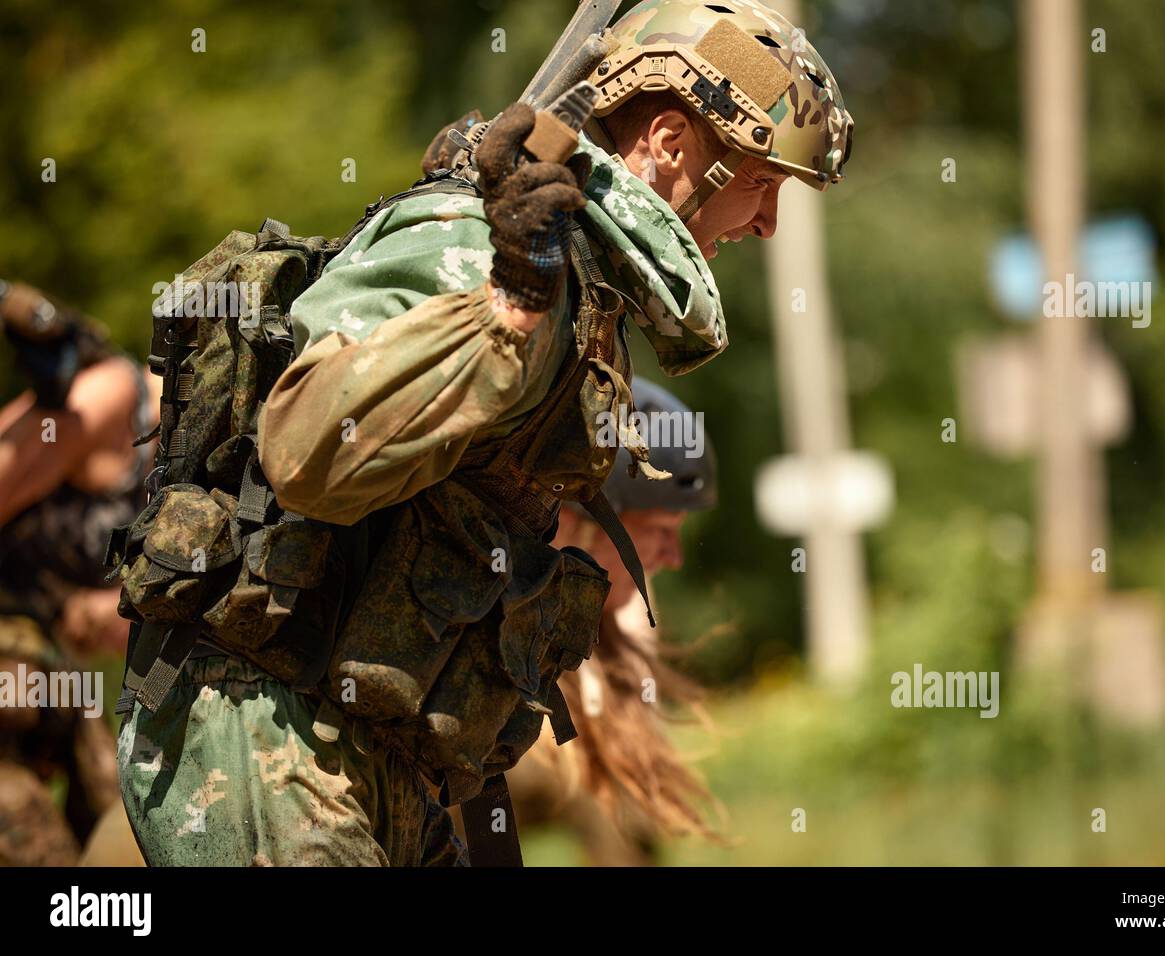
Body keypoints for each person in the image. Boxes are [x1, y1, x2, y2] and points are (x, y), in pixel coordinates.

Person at [117, 0, 852, 866]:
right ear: (670, 142)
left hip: (373, 750)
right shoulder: (479, 242)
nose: (766, 222)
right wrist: (506, 310)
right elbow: (305, 451)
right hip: (262, 723)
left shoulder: (568, 275)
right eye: (764, 181)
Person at [506, 377, 723, 866]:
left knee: (623, 811)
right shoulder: (479, 584)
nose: (674, 556)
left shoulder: (618, 608)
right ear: (583, 521)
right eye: (661, 532)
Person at [0, 281, 158, 865]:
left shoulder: (191, 468)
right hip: (16, 668)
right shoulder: (109, 398)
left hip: (62, 686)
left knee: (136, 834)